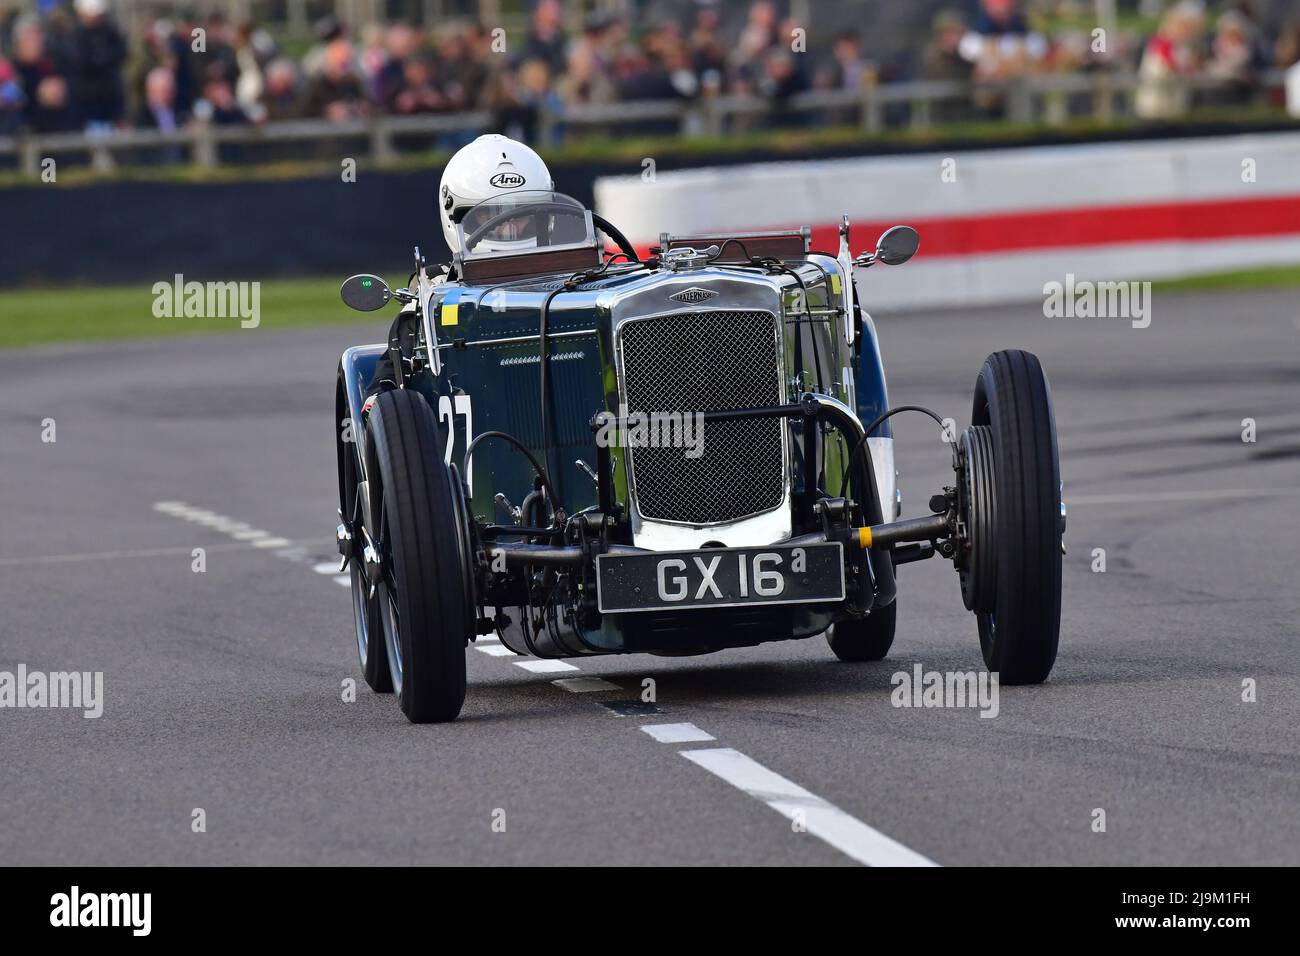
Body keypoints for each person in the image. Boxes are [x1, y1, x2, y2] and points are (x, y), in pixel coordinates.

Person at [369, 135, 558, 397]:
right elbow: (384, 396)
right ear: (454, 215)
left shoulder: (578, 284)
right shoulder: (433, 295)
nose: (507, 229)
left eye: (521, 214)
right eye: (489, 216)